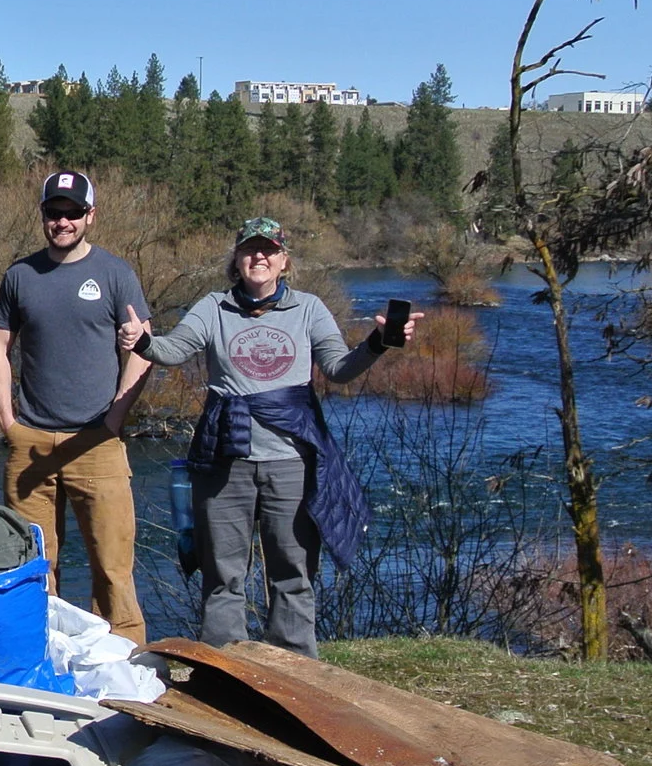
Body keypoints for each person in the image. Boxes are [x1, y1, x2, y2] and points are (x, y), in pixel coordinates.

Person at [119, 216, 424, 656]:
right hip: (224, 460)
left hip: (291, 462)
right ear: (237, 259)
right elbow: (173, 349)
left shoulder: (309, 309)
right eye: (249, 250)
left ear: (284, 261)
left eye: (268, 250)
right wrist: (143, 342)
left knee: (293, 574)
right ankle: (224, 672)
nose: (258, 257)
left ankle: (295, 672)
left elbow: (339, 369)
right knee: (222, 575)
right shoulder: (213, 307)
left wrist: (377, 342)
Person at [0, 170, 154, 642]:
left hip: (97, 442)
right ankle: (45, 659)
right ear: (42, 215)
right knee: (34, 568)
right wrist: (7, 420)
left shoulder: (116, 273)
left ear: (90, 216)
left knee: (113, 569)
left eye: (72, 212)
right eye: (54, 212)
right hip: (31, 443)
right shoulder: (19, 276)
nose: (63, 221)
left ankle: (127, 669)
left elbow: (144, 350)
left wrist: (116, 418)